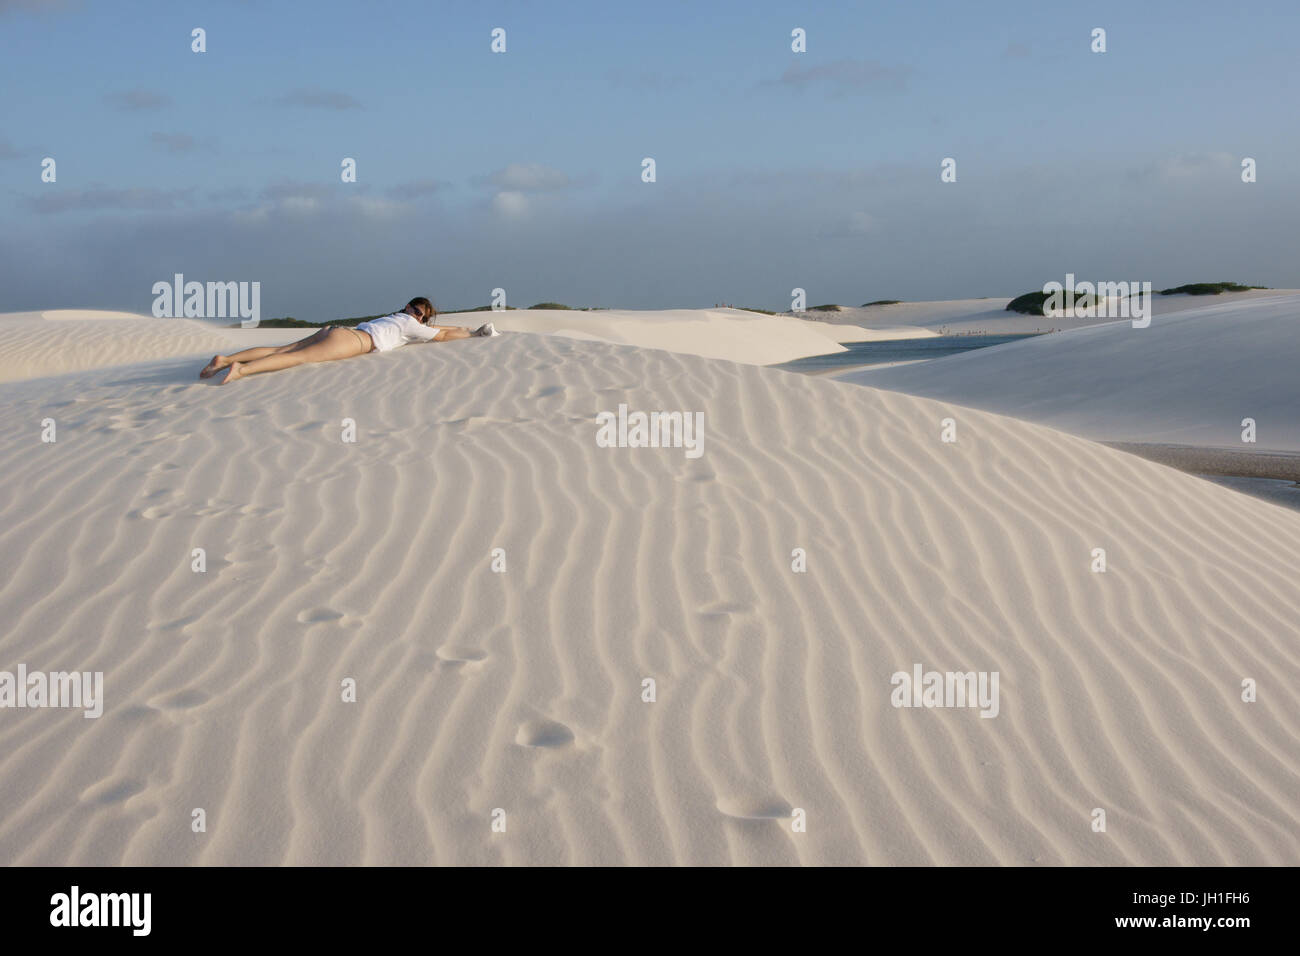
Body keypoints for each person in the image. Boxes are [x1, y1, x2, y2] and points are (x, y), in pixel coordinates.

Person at [199, 297, 499, 384]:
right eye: (415, 309)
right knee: (297, 358)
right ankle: (241, 370)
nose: (414, 314)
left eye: (418, 312)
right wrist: (472, 333)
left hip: (337, 330)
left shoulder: (396, 318)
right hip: (355, 341)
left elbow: (441, 330)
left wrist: (466, 330)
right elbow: (444, 335)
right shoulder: (412, 324)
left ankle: (225, 360)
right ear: (414, 313)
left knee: (283, 348)